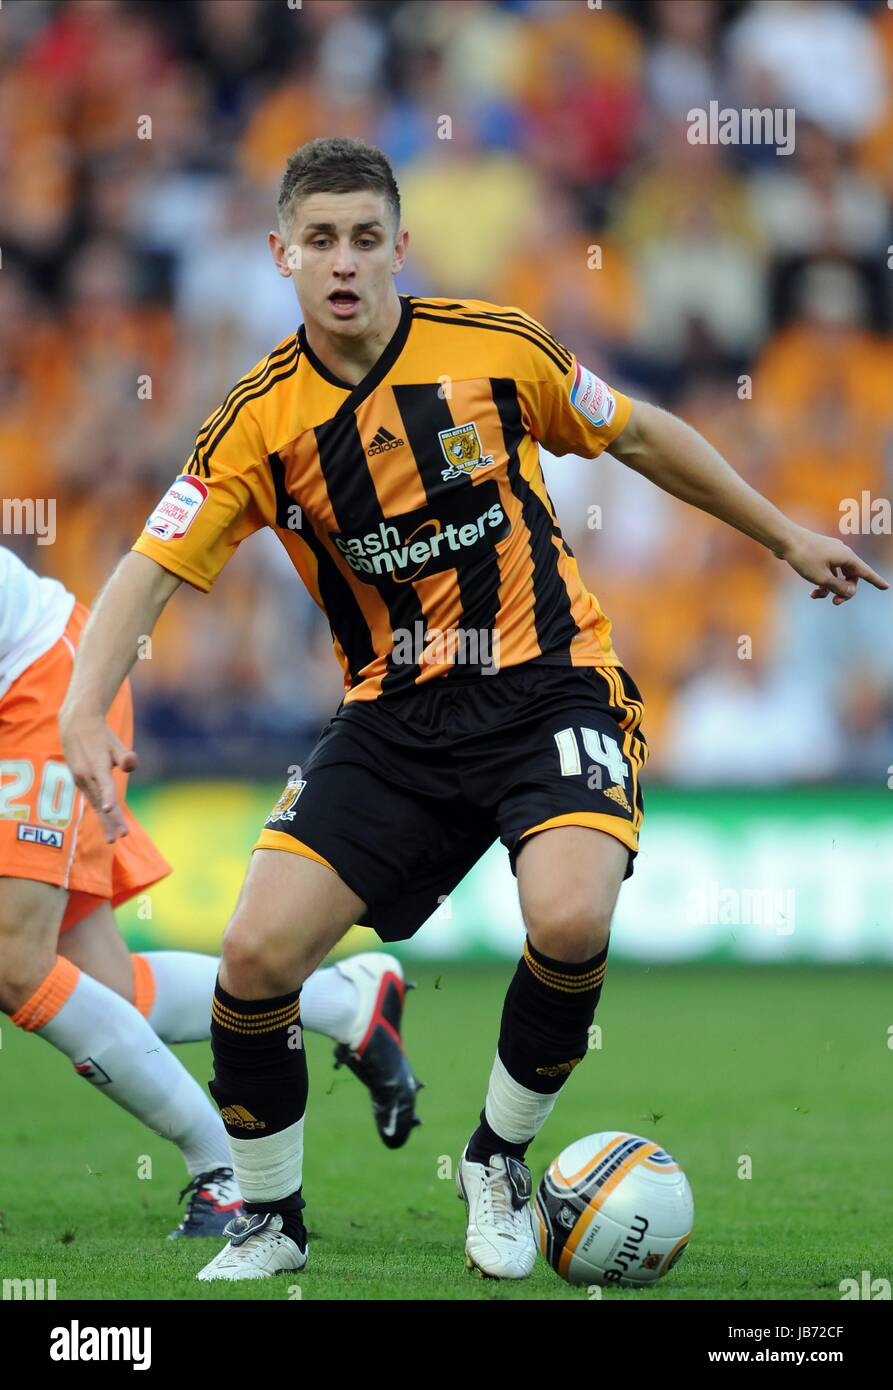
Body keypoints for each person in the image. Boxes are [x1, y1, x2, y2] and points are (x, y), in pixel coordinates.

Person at [59, 136, 887, 1282]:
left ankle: (496, 1160)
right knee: (253, 957)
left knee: (567, 917)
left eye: (363, 238)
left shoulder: (495, 350)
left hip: (549, 684)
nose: (342, 262)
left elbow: (639, 433)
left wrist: (785, 530)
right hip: (394, 720)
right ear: (279, 256)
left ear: (399, 245)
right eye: (318, 241)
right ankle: (272, 1219)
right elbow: (147, 568)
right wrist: (84, 707)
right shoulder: (257, 424)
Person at [0, 545, 421, 1240]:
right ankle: (348, 1000)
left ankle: (223, 1169)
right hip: (35, 659)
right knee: (96, 986)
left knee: (16, 963)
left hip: (37, 678)